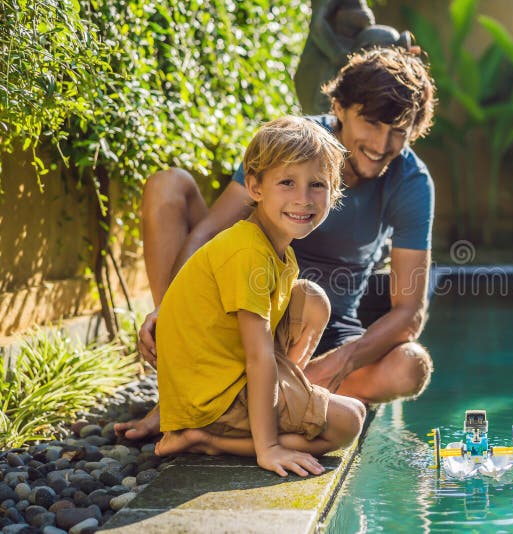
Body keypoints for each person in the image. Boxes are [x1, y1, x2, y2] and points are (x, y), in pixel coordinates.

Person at [116, 46, 437, 441]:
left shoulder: (411, 181)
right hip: (248, 308)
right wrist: (169, 309)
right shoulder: (294, 143)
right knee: (167, 186)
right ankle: (186, 381)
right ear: (339, 107)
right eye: (371, 122)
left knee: (410, 366)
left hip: (328, 326)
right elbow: (211, 231)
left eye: (399, 132)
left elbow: (409, 311)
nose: (382, 143)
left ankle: (262, 399)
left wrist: (339, 361)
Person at [152, 117, 365, 476]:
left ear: (334, 192)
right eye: (287, 182)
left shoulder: (275, 248)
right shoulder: (247, 252)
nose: (303, 198)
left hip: (224, 373)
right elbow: (258, 353)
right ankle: (210, 439)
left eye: (317, 185)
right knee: (349, 422)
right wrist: (268, 449)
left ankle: (281, 408)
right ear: (254, 187)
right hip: (212, 399)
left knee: (312, 301)